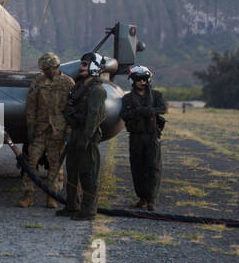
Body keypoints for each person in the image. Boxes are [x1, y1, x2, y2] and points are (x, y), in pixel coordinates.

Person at [18, 53, 75, 208]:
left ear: (56, 67)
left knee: (55, 166)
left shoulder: (68, 83)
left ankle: (52, 197)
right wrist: (30, 127)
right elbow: (31, 106)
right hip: (40, 130)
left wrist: (69, 130)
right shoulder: (38, 81)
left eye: (48, 69)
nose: (45, 72)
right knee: (31, 163)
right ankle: (28, 196)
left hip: (58, 131)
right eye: (43, 70)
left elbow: (72, 110)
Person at [55, 52, 108, 221]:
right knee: (72, 171)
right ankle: (72, 205)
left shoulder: (97, 90)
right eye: (81, 64)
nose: (81, 67)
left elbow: (94, 117)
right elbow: (69, 107)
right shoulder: (78, 86)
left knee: (88, 173)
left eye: (85, 64)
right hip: (75, 133)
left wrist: (86, 139)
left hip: (87, 136)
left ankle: (88, 210)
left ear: (94, 66)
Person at [120, 64, 167, 209]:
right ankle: (142, 198)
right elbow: (123, 114)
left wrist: (148, 111)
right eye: (139, 79)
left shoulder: (157, 95)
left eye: (144, 79)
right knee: (137, 168)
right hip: (136, 137)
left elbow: (163, 108)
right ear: (133, 80)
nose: (142, 82)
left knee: (153, 167)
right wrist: (138, 112)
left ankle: (151, 198)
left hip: (152, 136)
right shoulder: (127, 98)